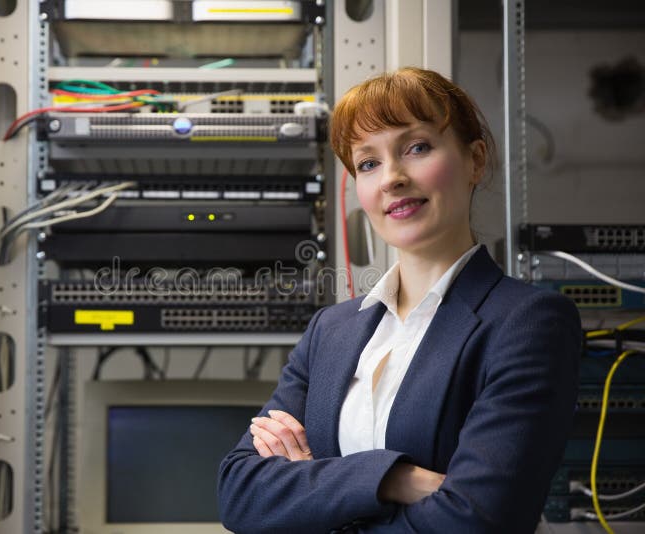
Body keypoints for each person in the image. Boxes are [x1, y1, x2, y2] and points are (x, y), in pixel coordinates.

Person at [217, 67, 582, 534]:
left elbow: (478, 519)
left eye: (417, 148)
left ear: (475, 160)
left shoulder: (529, 323)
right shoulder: (331, 330)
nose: (392, 178)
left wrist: (314, 495)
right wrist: (395, 478)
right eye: (368, 163)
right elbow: (240, 492)